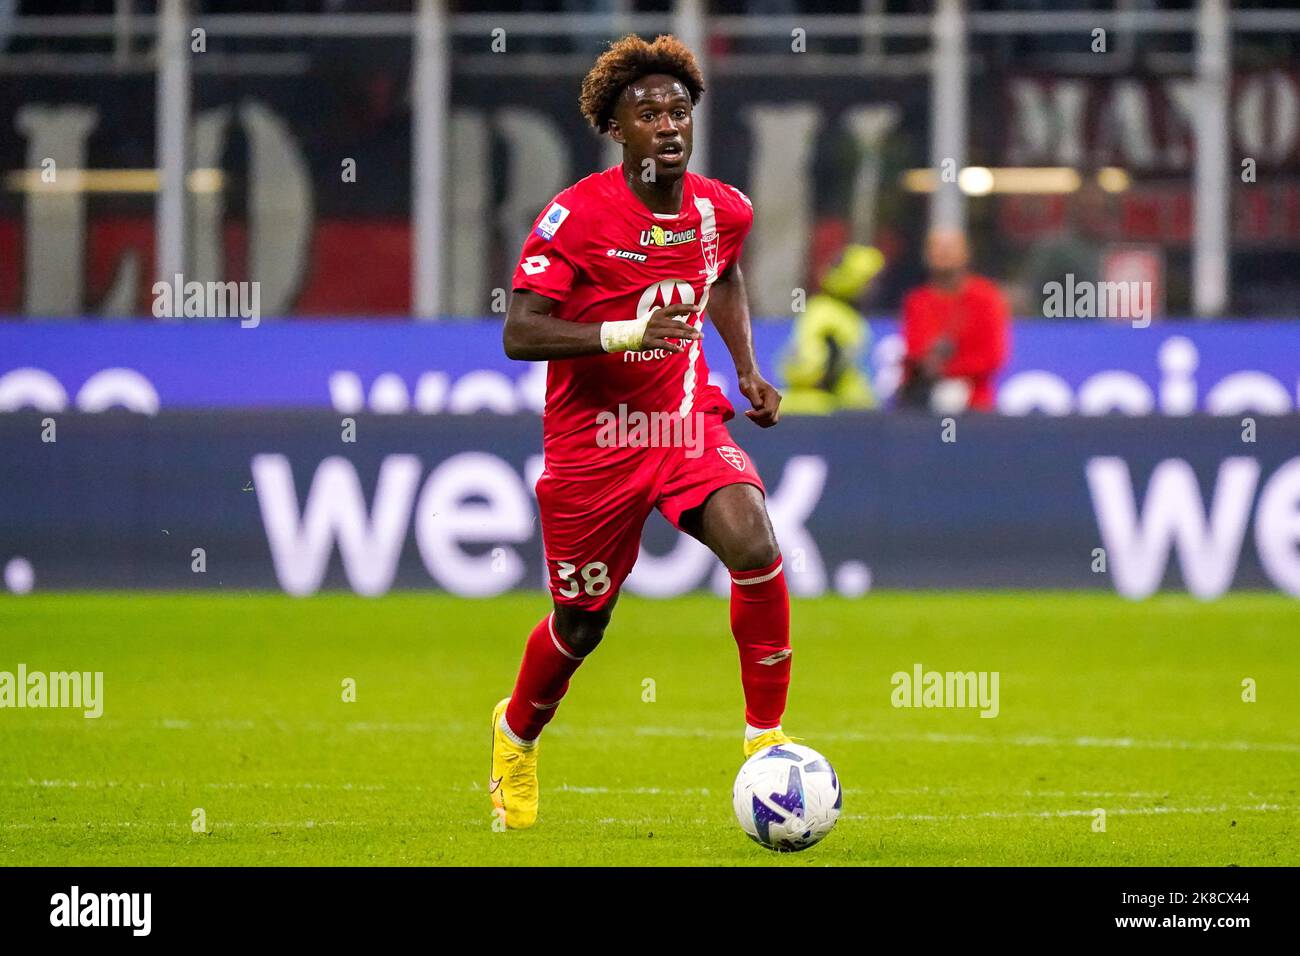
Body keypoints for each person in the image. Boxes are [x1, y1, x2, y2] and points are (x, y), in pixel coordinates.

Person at [492, 34, 797, 829]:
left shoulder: (721, 209)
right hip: (594, 441)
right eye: (648, 112)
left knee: (755, 543)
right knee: (582, 624)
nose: (668, 124)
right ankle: (517, 732)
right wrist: (624, 334)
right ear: (615, 129)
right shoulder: (575, 217)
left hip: (682, 417)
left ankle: (766, 741)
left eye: (678, 110)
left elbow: (721, 275)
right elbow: (520, 333)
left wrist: (746, 369)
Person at [898, 229, 1010, 413]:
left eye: (949, 248)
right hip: (923, 403)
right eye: (936, 248)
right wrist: (923, 363)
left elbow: (993, 355)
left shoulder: (986, 298)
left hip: (974, 405)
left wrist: (948, 369)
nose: (943, 253)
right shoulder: (917, 301)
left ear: (966, 253)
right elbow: (912, 349)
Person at [780, 243, 884, 414]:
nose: (874, 288)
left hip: (843, 402)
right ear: (853, 279)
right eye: (869, 281)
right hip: (819, 405)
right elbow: (807, 367)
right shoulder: (823, 313)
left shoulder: (846, 315)